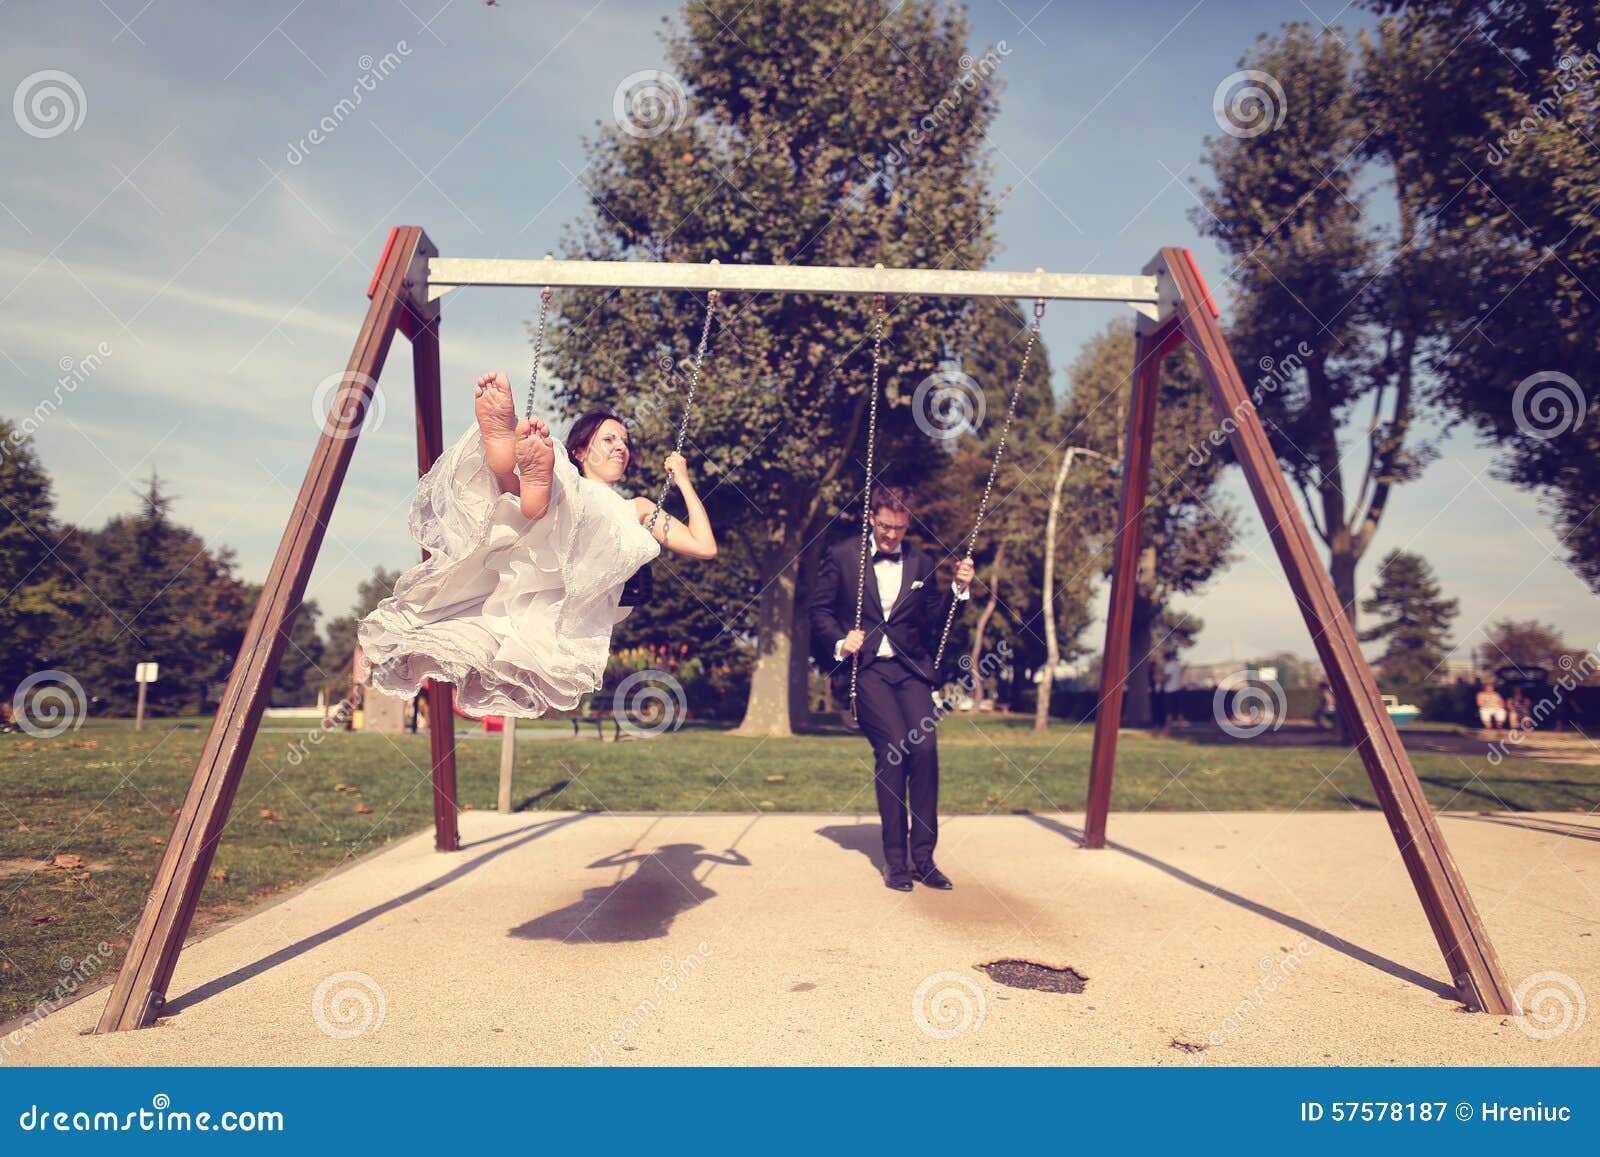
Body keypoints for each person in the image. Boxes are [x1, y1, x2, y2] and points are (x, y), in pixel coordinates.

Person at [358, 372, 717, 717]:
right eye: (609, 439)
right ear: (579, 450)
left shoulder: (636, 508)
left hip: (583, 578)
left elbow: (704, 545)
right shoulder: (569, 485)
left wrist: (682, 480)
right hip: (544, 557)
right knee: (539, 502)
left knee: (551, 502)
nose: (621, 447)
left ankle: (513, 471)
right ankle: (507, 463)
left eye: (625, 442)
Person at [810, 484, 974, 892]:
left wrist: (959, 589)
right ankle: (896, 862)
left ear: (907, 525)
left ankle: (924, 858)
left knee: (924, 748)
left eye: (899, 529)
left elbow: (935, 619)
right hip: (865, 671)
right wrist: (839, 641)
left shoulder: (921, 563)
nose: (890, 536)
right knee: (894, 748)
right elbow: (820, 610)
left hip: (910, 670)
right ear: (872, 518)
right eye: (885, 527)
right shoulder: (844, 555)